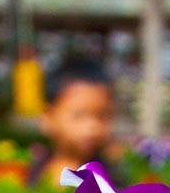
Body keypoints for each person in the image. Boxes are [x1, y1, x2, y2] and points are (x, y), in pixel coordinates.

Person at [26, 58, 115, 186]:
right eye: (79, 115)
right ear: (48, 117)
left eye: (101, 115)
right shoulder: (35, 175)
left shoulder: (110, 182)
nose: (92, 127)